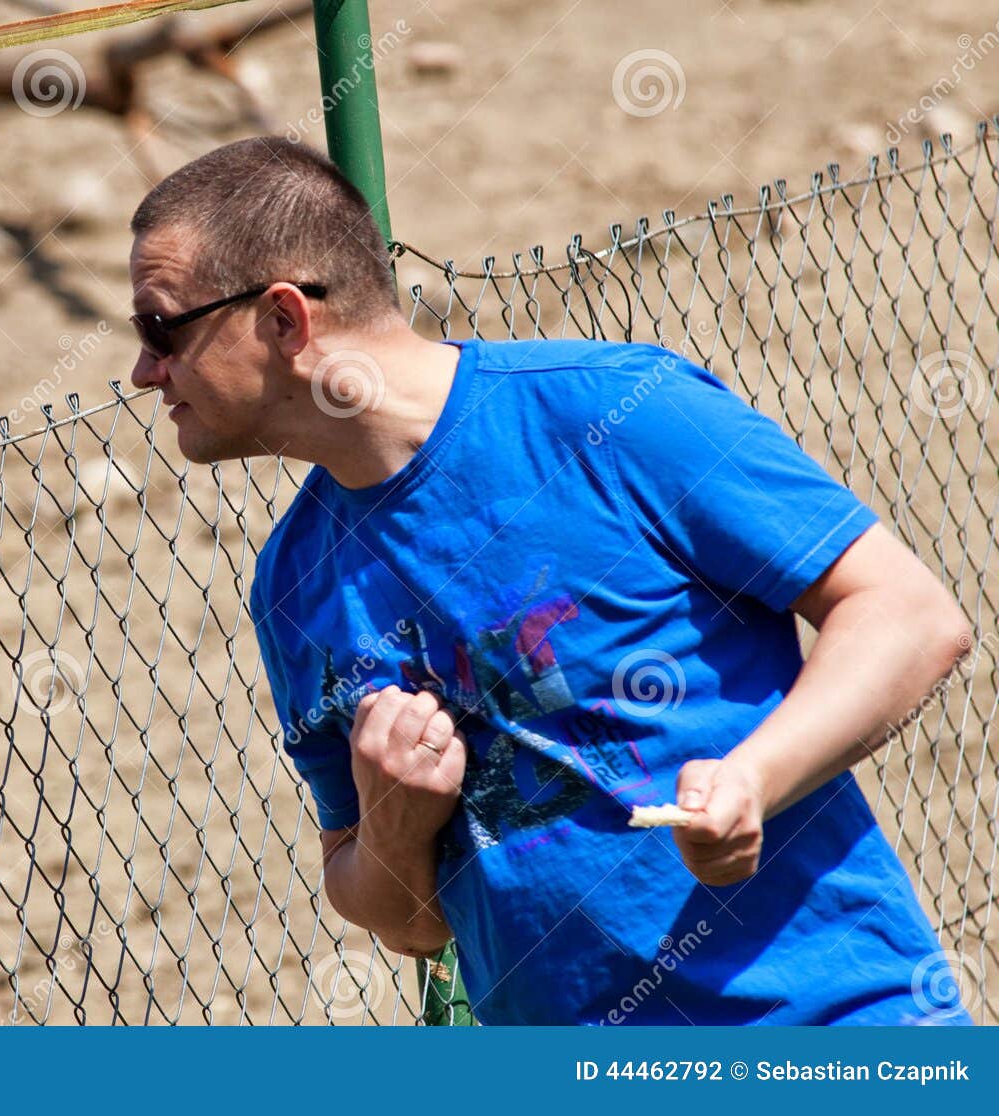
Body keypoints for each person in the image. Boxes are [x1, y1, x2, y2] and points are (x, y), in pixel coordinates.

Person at [126, 136, 976, 1025]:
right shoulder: (294, 586)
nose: (145, 370)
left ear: (284, 320)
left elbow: (910, 613)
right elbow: (410, 926)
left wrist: (754, 781)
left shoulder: (612, 413)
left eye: (160, 328)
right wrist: (390, 829)